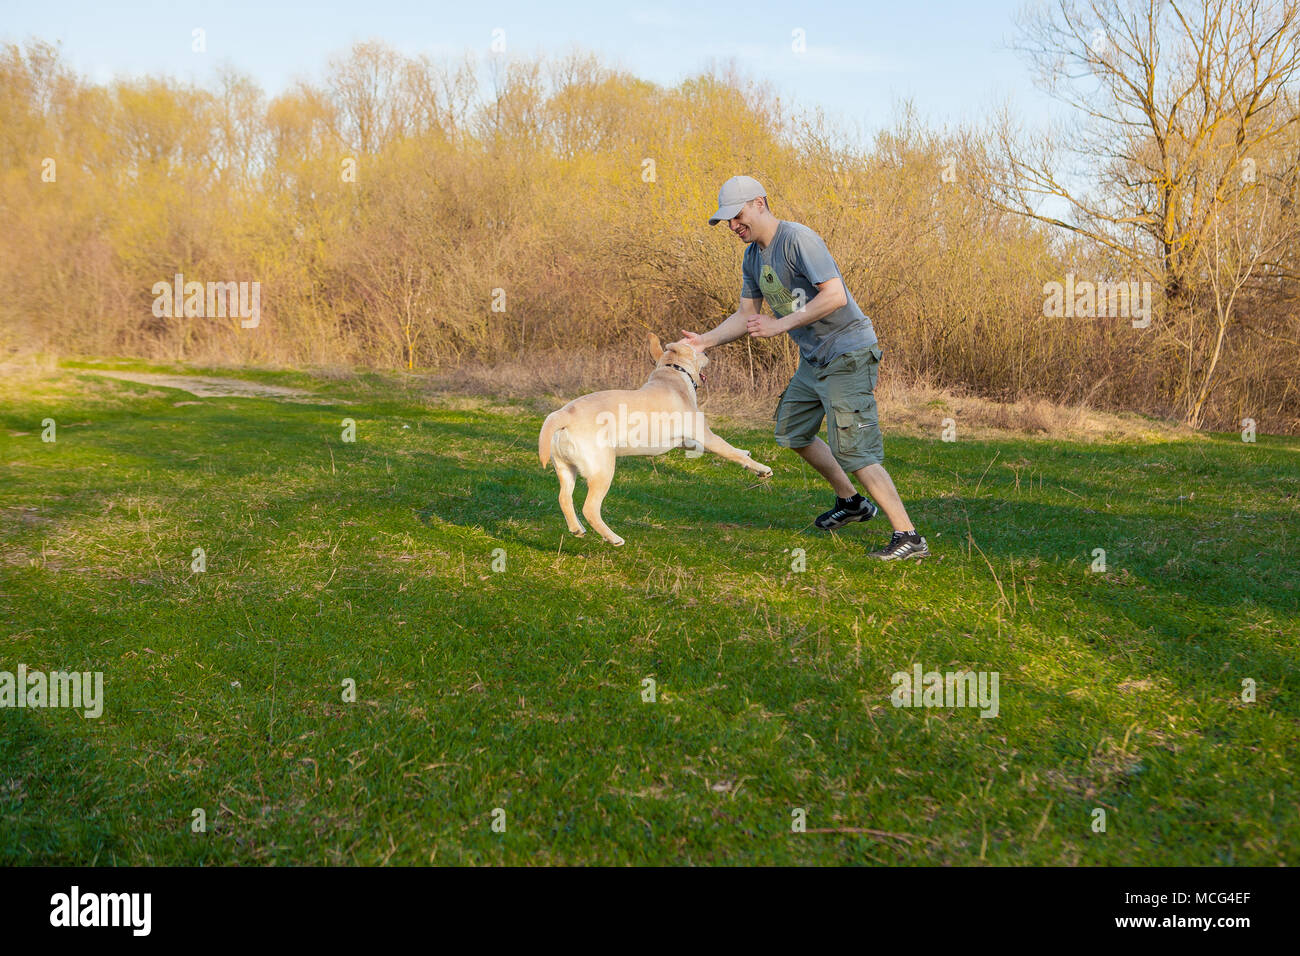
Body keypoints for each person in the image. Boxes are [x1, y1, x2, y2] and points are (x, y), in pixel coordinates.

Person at [681, 175, 929, 561]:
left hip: (848, 352)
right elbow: (747, 315)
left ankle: (909, 536)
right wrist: (702, 342)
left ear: (759, 203)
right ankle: (852, 503)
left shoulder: (798, 239)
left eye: (737, 215)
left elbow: (834, 295)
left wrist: (780, 325)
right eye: (727, 220)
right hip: (814, 359)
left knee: (854, 448)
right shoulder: (752, 258)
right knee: (792, 431)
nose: (733, 226)